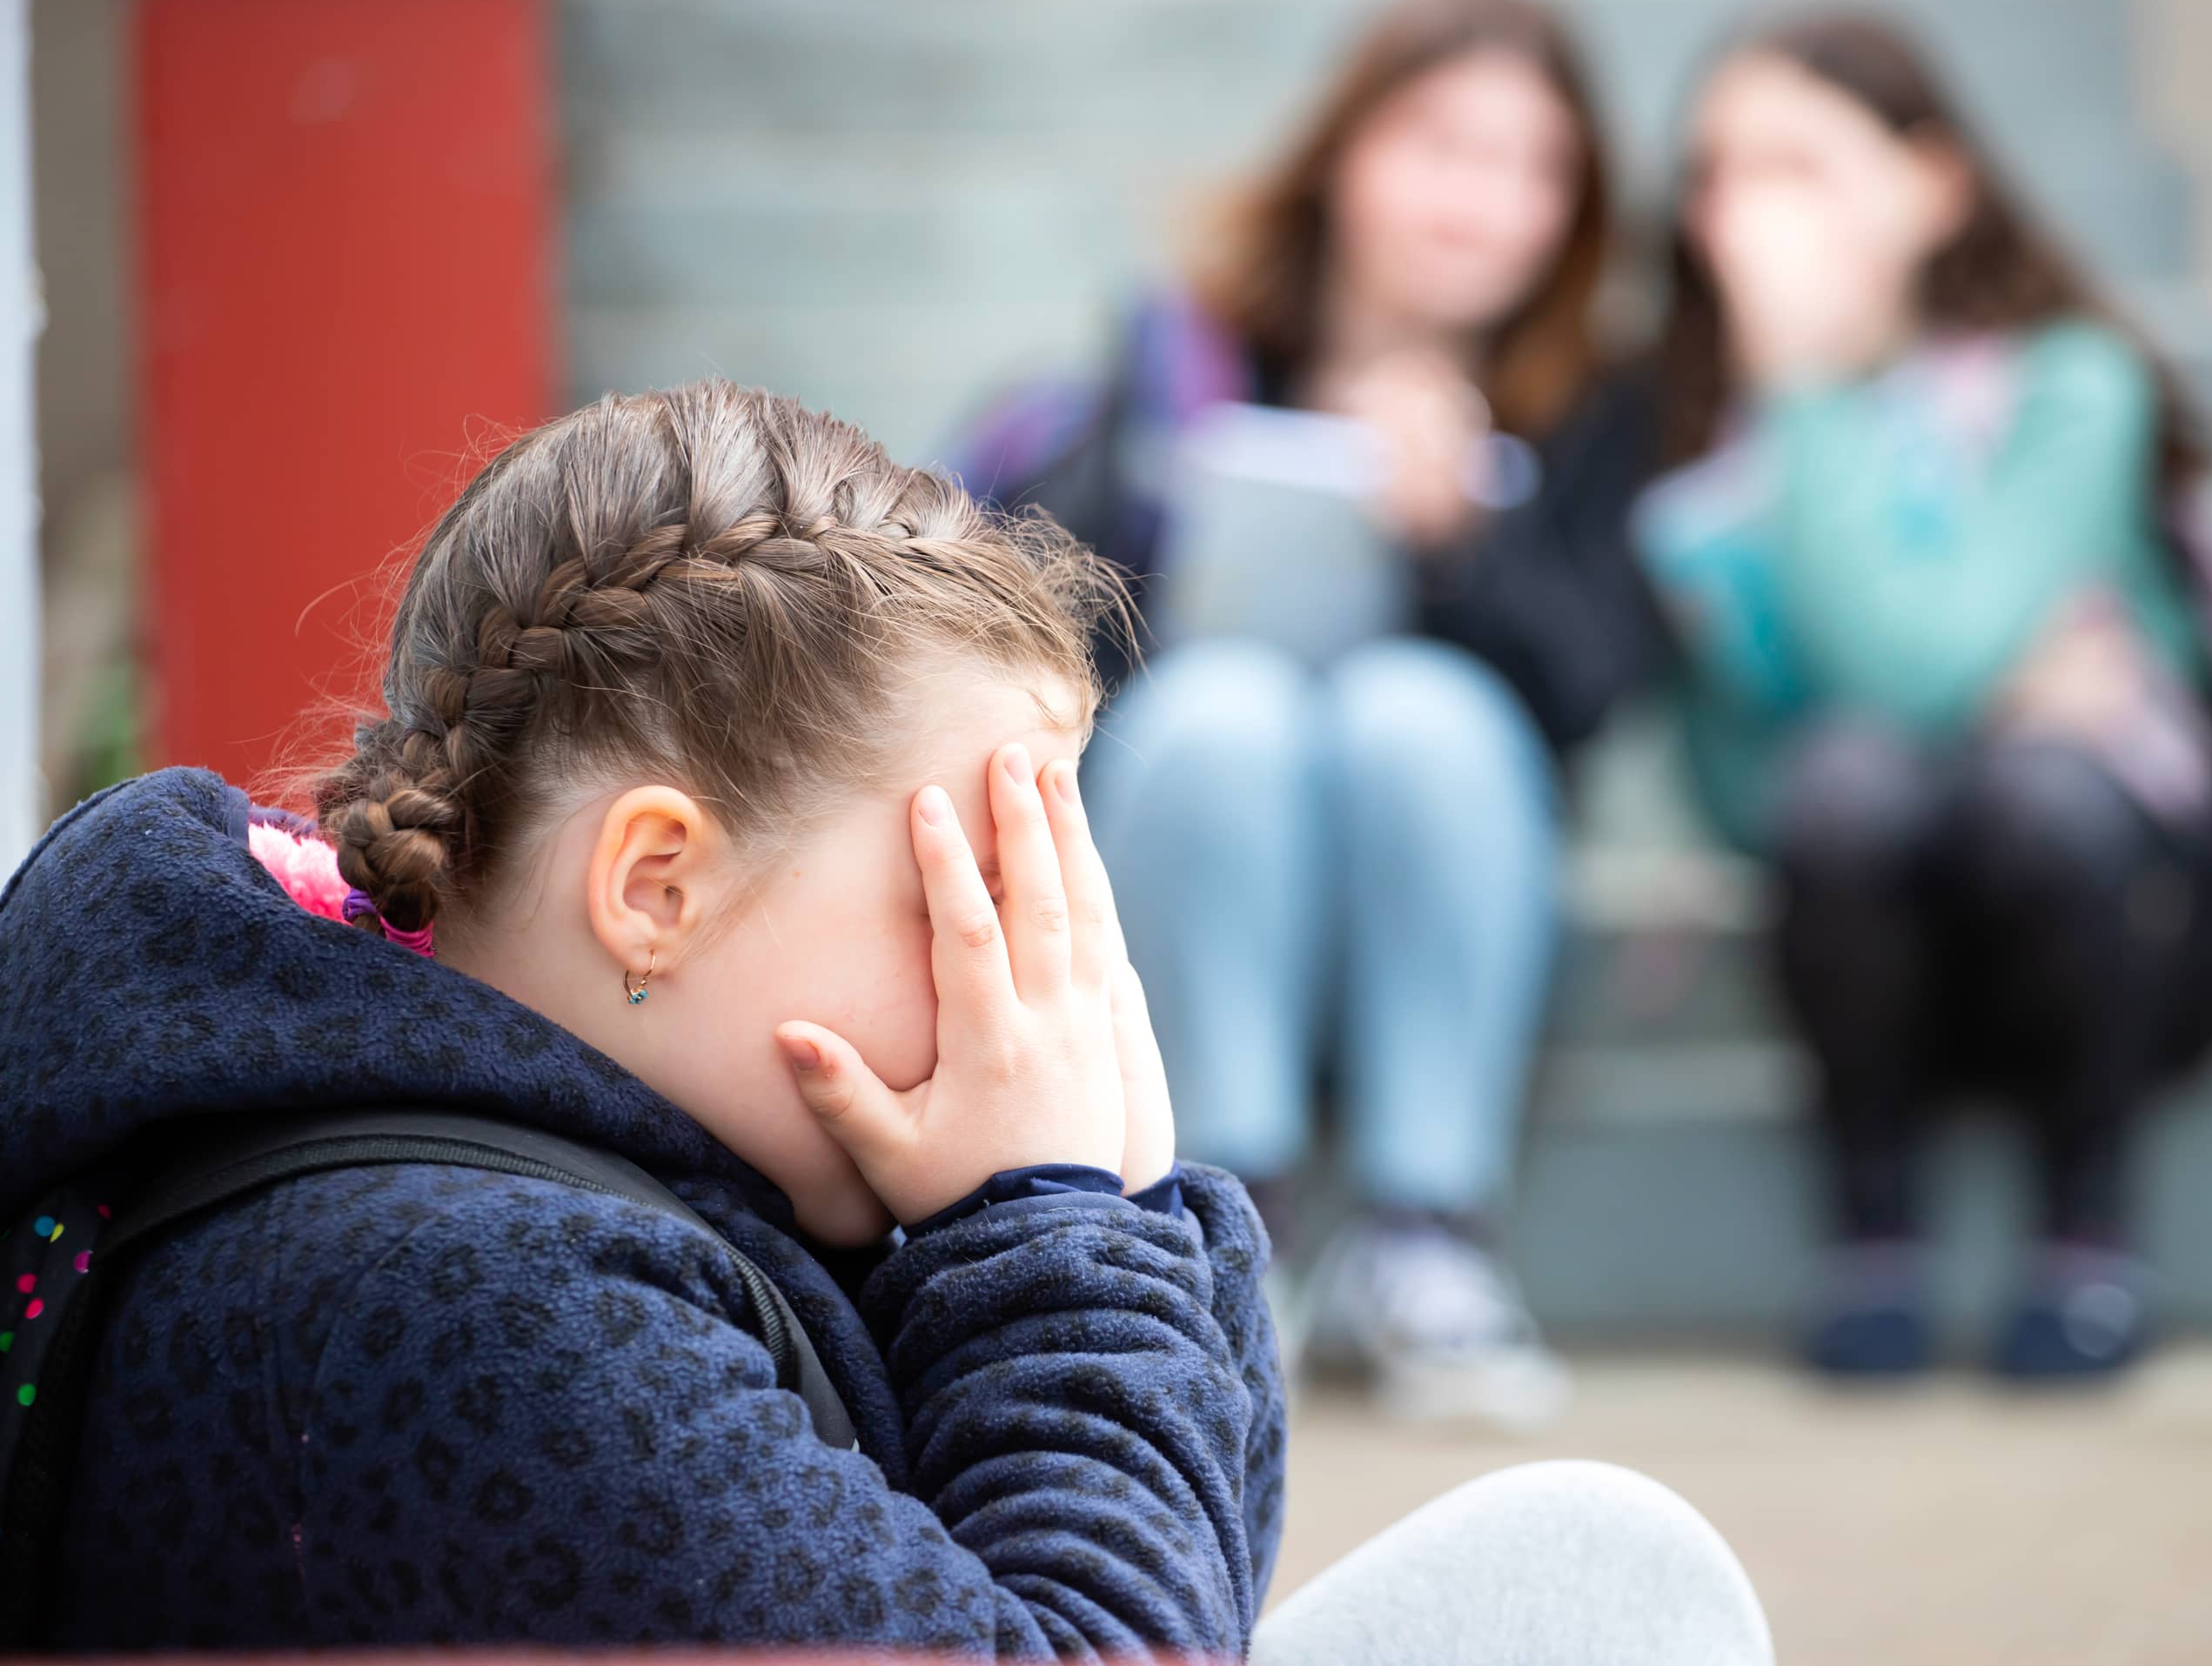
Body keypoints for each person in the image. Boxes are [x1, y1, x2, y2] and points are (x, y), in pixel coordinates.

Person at [0, 382, 1770, 1662]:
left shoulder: (495, 1149)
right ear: (657, 886)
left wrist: (1119, 1218)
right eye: (966, 896)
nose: (1036, 979)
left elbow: (1188, 1585)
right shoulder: (469, 1306)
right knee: (1607, 1602)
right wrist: (1064, 1234)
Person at [959, 0, 1668, 1428]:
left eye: (1532, 166)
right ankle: (1229, 1229)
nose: (1481, 200)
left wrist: (1460, 536)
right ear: (1346, 152)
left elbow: (1599, 686)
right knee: (1229, 716)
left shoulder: (1592, 402)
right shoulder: (1188, 353)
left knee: (1422, 713)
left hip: (1447, 826)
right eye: (1440, 145)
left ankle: (1427, 1233)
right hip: (1203, 801)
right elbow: (1038, 622)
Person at [1632, 10, 2212, 1382]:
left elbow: (1907, 665)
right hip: (1879, 942)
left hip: (2131, 924)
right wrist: (1962, 679)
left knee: (2038, 788)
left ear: (1933, 186)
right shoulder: (1704, 451)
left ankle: (2090, 1227)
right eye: (1719, 175)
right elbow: (1740, 796)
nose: (1744, 216)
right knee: (1847, 781)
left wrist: (1809, 392)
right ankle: (1874, 1227)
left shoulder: (2073, 385)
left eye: (1797, 168)